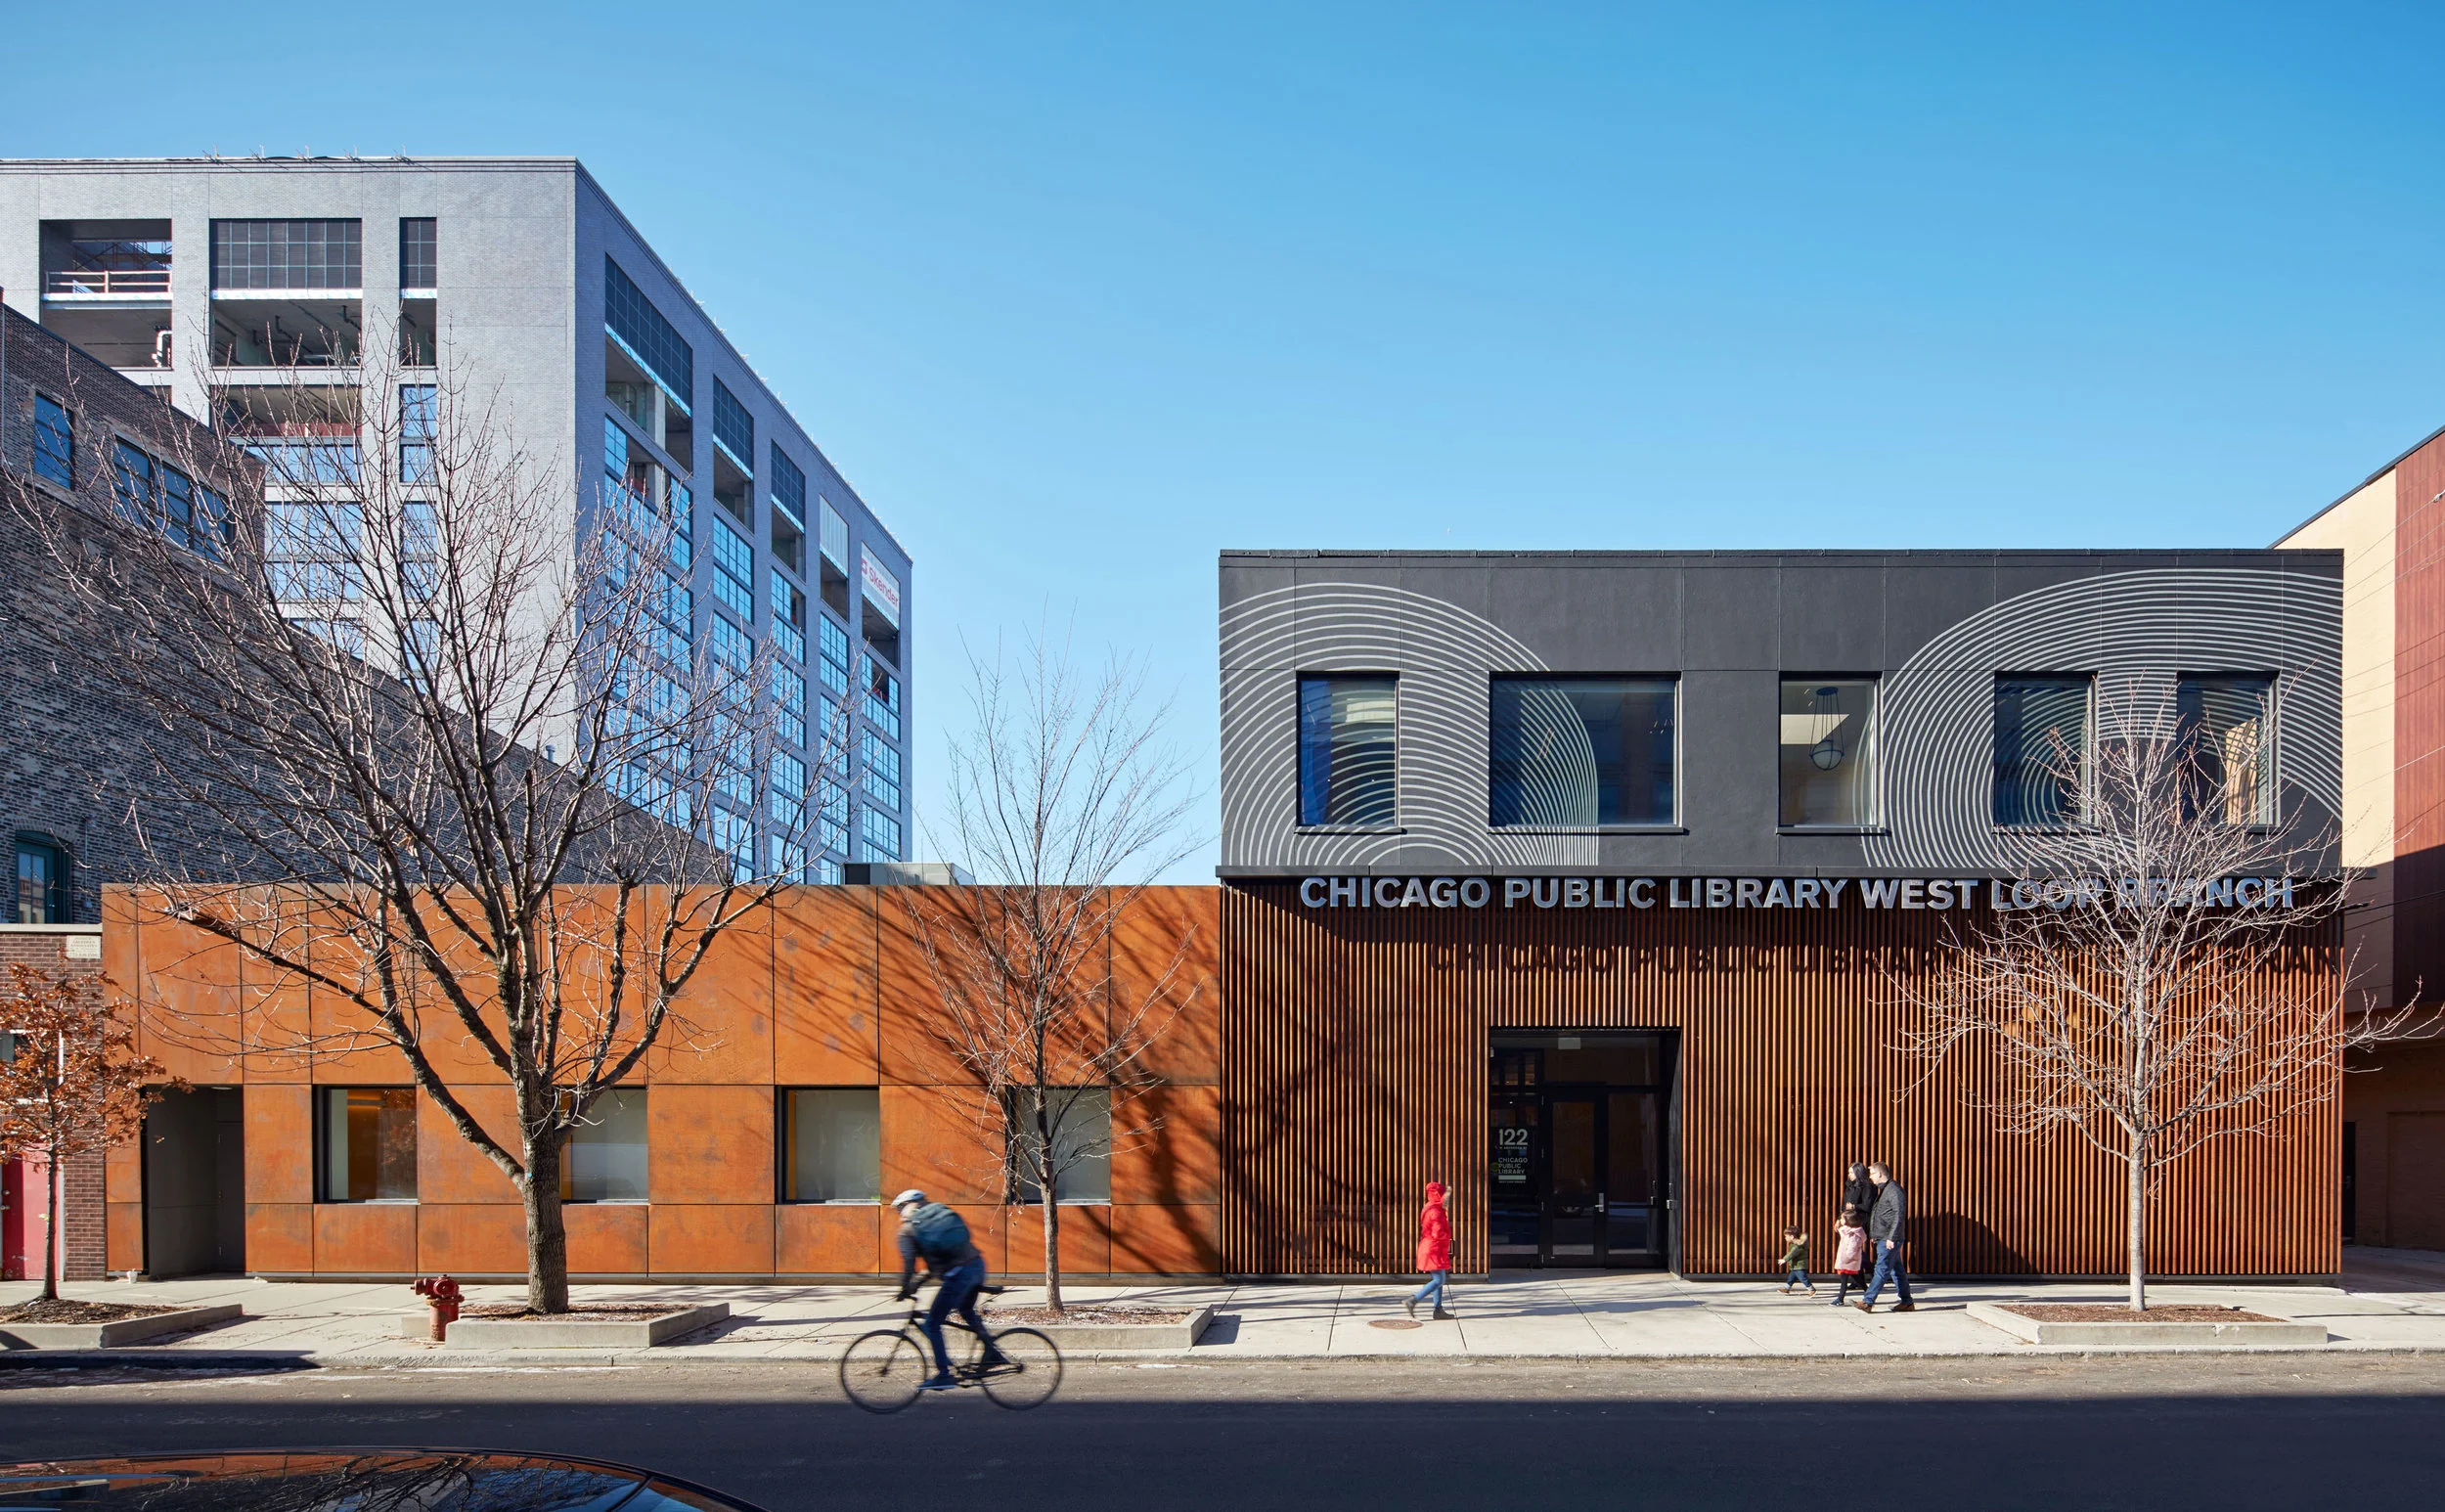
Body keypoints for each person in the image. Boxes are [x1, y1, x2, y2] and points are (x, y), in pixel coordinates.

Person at [891, 1188, 1002, 1389]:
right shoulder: (940, 1214)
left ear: (903, 1208)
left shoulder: (908, 1230)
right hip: (977, 1265)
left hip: (959, 1275)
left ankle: (943, 1375)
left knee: (933, 1323)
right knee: (965, 1308)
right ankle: (992, 1351)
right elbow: (938, 1262)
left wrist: (905, 1288)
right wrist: (916, 1284)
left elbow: (909, 1264)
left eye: (899, 1209)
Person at [1852, 1163, 1916, 1313]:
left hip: (1889, 1239)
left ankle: (1868, 1301)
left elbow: (1898, 1215)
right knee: (1897, 1271)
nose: (1871, 1177)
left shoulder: (1894, 1190)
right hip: (1883, 1237)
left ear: (1880, 1174)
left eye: (1872, 1174)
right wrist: (1876, 1235)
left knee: (1881, 1269)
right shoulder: (1885, 1190)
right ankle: (1907, 1302)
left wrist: (1891, 1238)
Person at [1406, 1180, 1455, 1320]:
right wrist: (1448, 1235)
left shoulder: (1431, 1207)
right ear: (1438, 1195)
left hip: (1432, 1248)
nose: (1445, 1197)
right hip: (1434, 1249)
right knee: (1439, 1280)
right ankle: (1413, 1300)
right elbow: (1438, 1233)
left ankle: (1438, 1310)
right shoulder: (1436, 1212)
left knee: (1438, 1279)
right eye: (1443, 1194)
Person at [1828, 1204, 1869, 1307]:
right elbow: (1843, 1231)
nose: (1840, 1220)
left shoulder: (1853, 1235)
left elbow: (1852, 1249)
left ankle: (1840, 1299)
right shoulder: (1848, 1232)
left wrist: (1847, 1258)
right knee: (1858, 1278)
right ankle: (1869, 1293)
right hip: (1848, 1261)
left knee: (1844, 1281)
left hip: (1848, 1261)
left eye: (1842, 1219)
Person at [1777, 1225, 1812, 1294]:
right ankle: (1786, 1288)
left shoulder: (1797, 1246)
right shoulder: (1794, 1244)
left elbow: (1792, 1253)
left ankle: (1811, 1289)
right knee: (1791, 1278)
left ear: (1792, 1236)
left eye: (1786, 1236)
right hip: (1796, 1265)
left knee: (1803, 1278)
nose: (1785, 1238)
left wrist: (1784, 1259)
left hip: (1800, 1265)